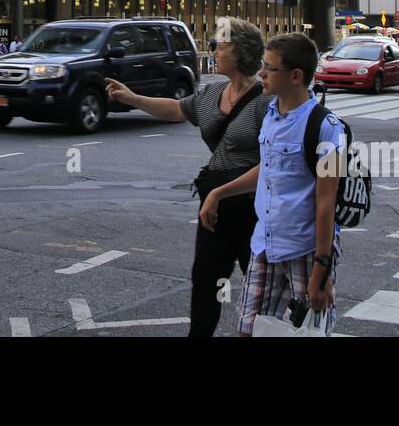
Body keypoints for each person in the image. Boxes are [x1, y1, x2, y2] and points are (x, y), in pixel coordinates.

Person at [106, 17, 267, 337]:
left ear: (240, 52)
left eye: (220, 45)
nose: (214, 50)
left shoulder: (266, 100)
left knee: (260, 285)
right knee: (205, 280)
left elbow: (275, 161)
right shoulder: (211, 94)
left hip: (255, 208)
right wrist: (132, 98)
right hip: (215, 209)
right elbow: (176, 109)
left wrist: (221, 193)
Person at [199, 32, 345, 337]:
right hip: (265, 244)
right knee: (248, 330)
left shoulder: (326, 128)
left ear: (295, 76)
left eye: (269, 67)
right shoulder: (271, 116)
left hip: (305, 249)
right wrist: (219, 192)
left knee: (308, 333)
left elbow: (326, 204)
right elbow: (266, 169)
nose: (261, 73)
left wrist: (322, 268)